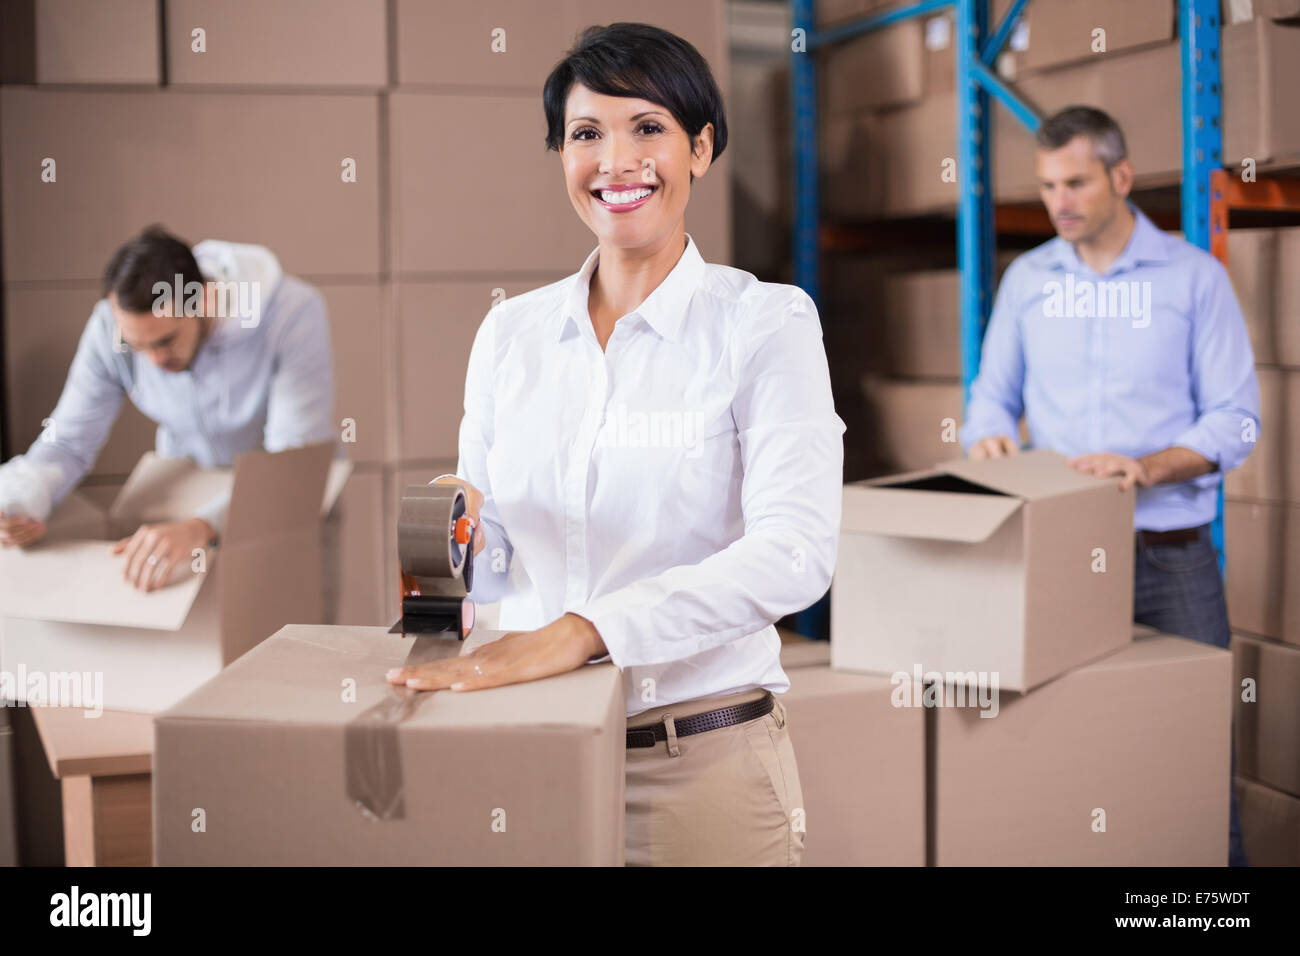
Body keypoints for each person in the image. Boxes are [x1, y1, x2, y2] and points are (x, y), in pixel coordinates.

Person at [386, 22, 846, 866]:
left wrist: (585, 628)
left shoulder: (765, 324)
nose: (616, 161)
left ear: (701, 149)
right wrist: (457, 544)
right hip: (527, 751)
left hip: (695, 761)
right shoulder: (510, 334)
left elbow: (796, 552)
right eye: (586, 134)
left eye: (649, 129)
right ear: (562, 155)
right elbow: (494, 565)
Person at [960, 106, 1259, 867]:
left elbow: (1238, 421)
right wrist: (988, 434)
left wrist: (1149, 467)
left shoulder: (1195, 279)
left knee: (1190, 750)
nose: (1059, 200)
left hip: (1171, 557)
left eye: (1077, 181)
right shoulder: (1028, 280)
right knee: (1066, 744)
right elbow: (991, 396)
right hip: (1058, 559)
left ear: (1121, 178)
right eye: (1048, 184)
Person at [0, 225, 337, 591]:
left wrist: (202, 527)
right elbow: (66, 442)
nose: (155, 361)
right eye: (137, 346)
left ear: (204, 299)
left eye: (166, 341)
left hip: (287, 502)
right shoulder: (109, 327)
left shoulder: (290, 312)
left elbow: (292, 463)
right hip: (188, 502)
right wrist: (18, 501)